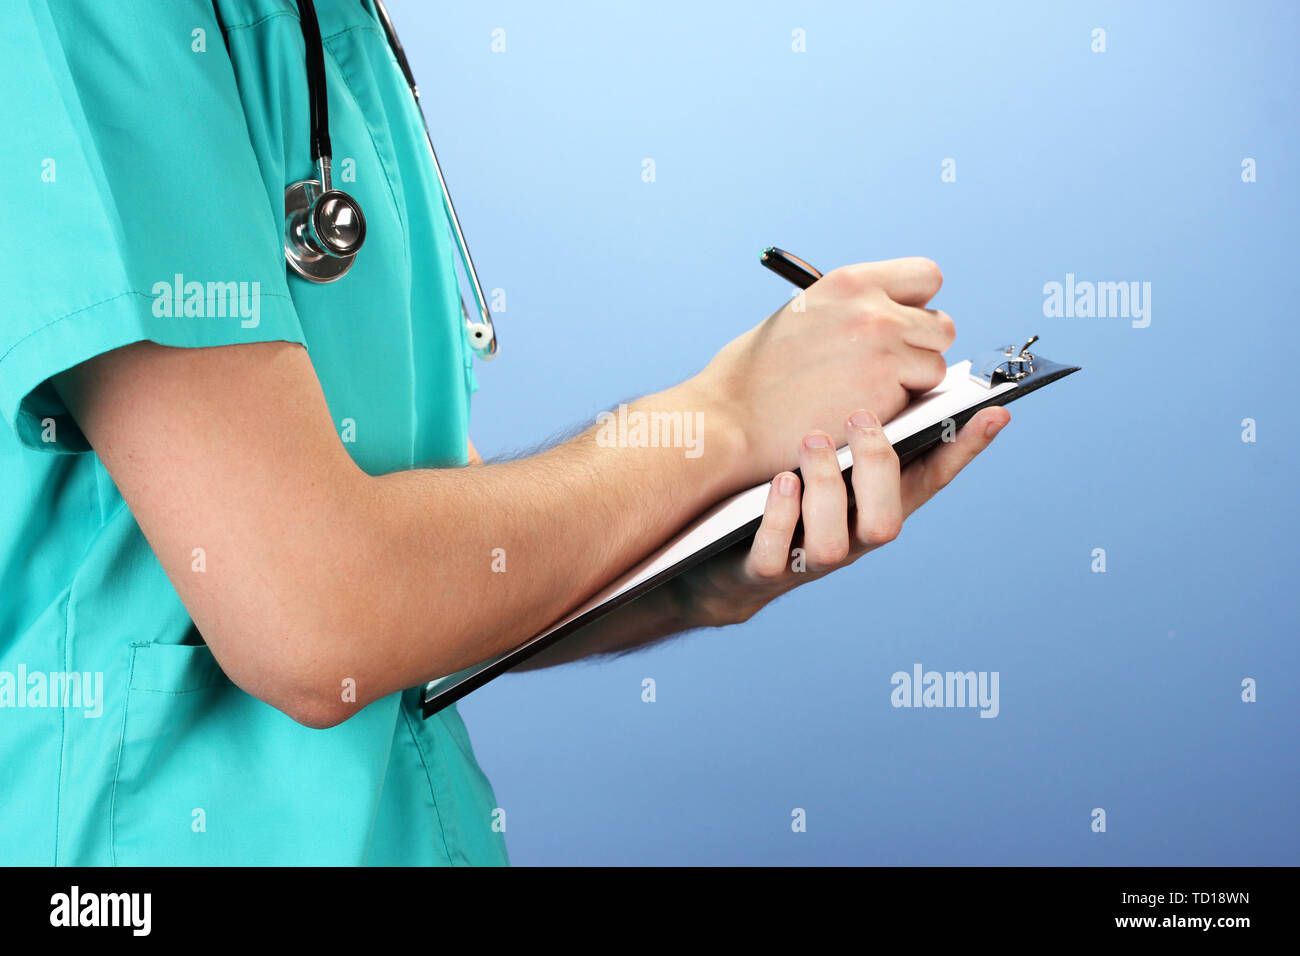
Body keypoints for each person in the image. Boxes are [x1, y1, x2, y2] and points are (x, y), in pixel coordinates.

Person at [0, 0, 1009, 866]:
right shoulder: (82, 24)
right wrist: (725, 415)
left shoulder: (323, 26)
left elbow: (416, 581)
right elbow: (314, 612)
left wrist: (684, 576)